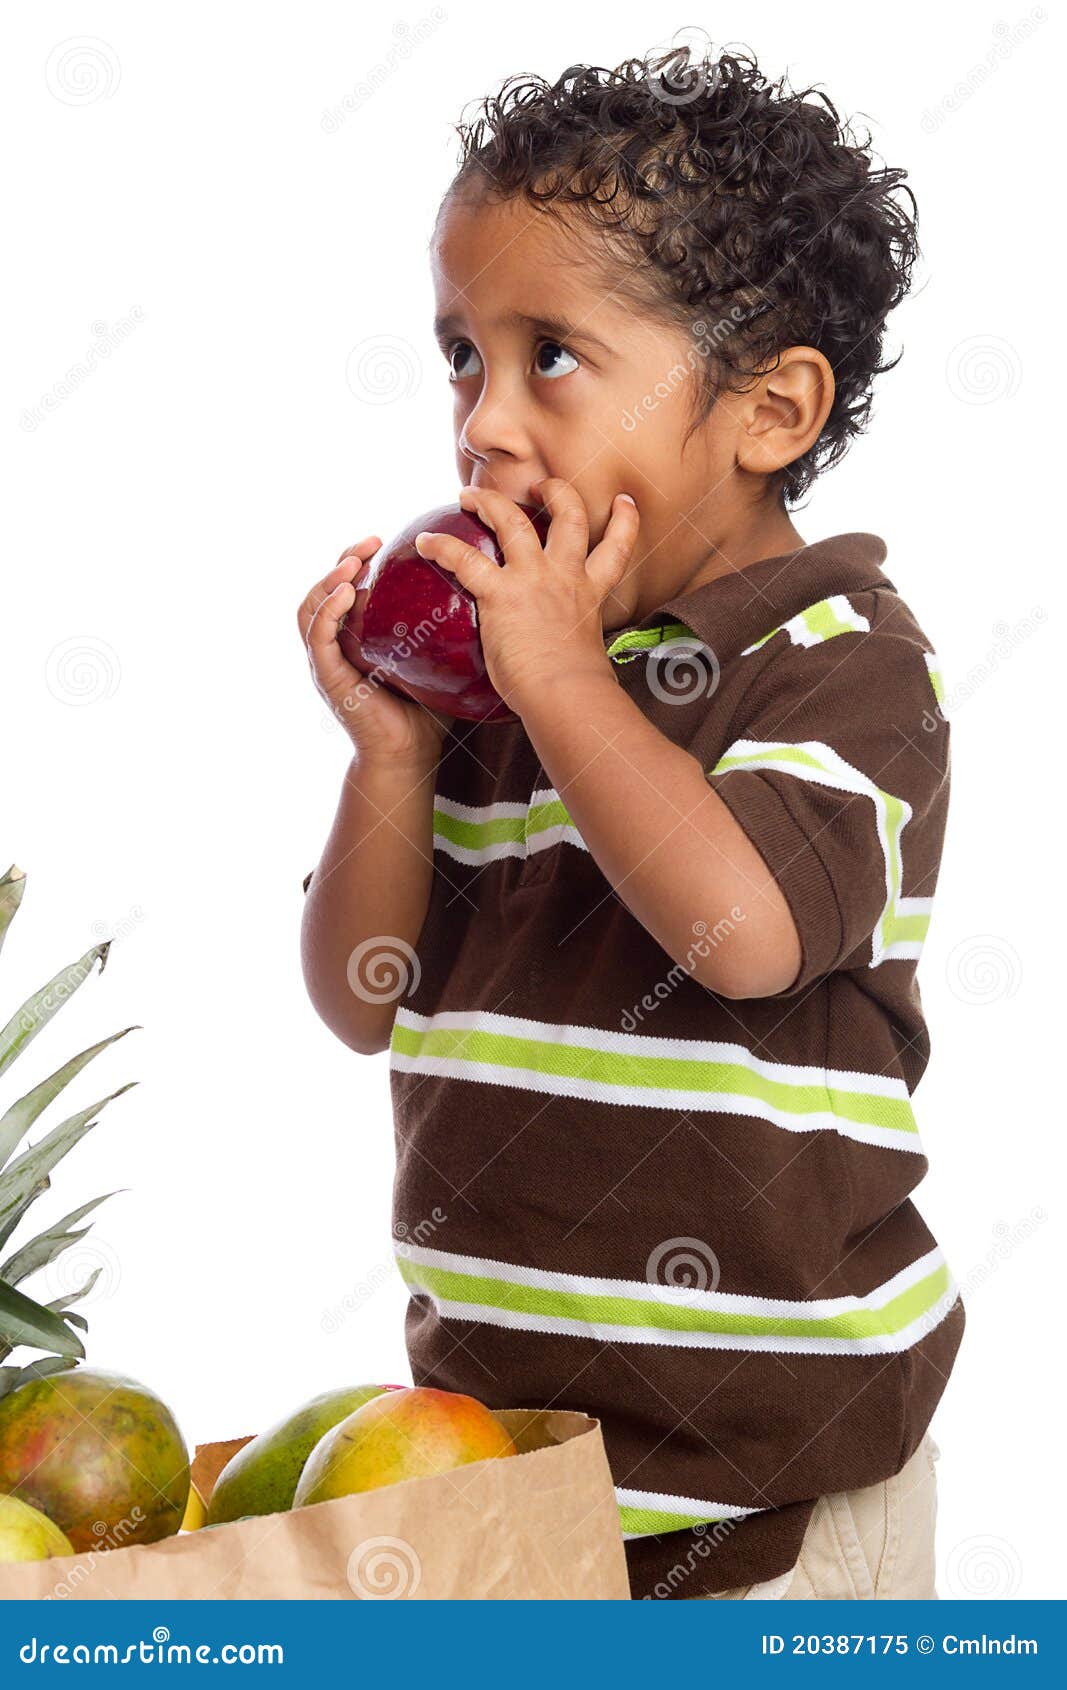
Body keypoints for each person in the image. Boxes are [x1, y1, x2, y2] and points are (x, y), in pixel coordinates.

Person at [297, 46, 963, 1600]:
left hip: (784, 1481)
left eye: (554, 359)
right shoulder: (508, 674)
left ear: (771, 410)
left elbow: (739, 939)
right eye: (463, 356)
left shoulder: (846, 666)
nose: (484, 425)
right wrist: (395, 754)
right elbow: (357, 996)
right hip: (511, 1465)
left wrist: (555, 679)